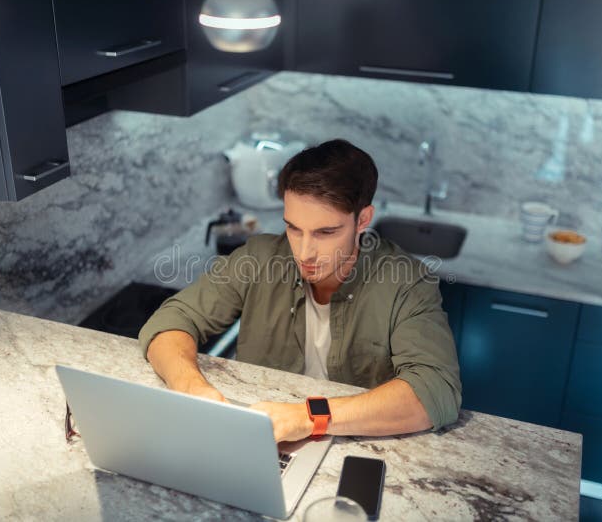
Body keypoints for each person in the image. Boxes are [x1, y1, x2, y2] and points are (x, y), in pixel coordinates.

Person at [139, 139, 461, 443]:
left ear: (363, 219)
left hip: (354, 444)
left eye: (325, 232)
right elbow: (172, 319)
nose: (304, 252)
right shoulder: (258, 259)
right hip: (261, 435)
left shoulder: (407, 282)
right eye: (293, 228)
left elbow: (436, 390)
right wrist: (190, 386)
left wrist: (309, 417)